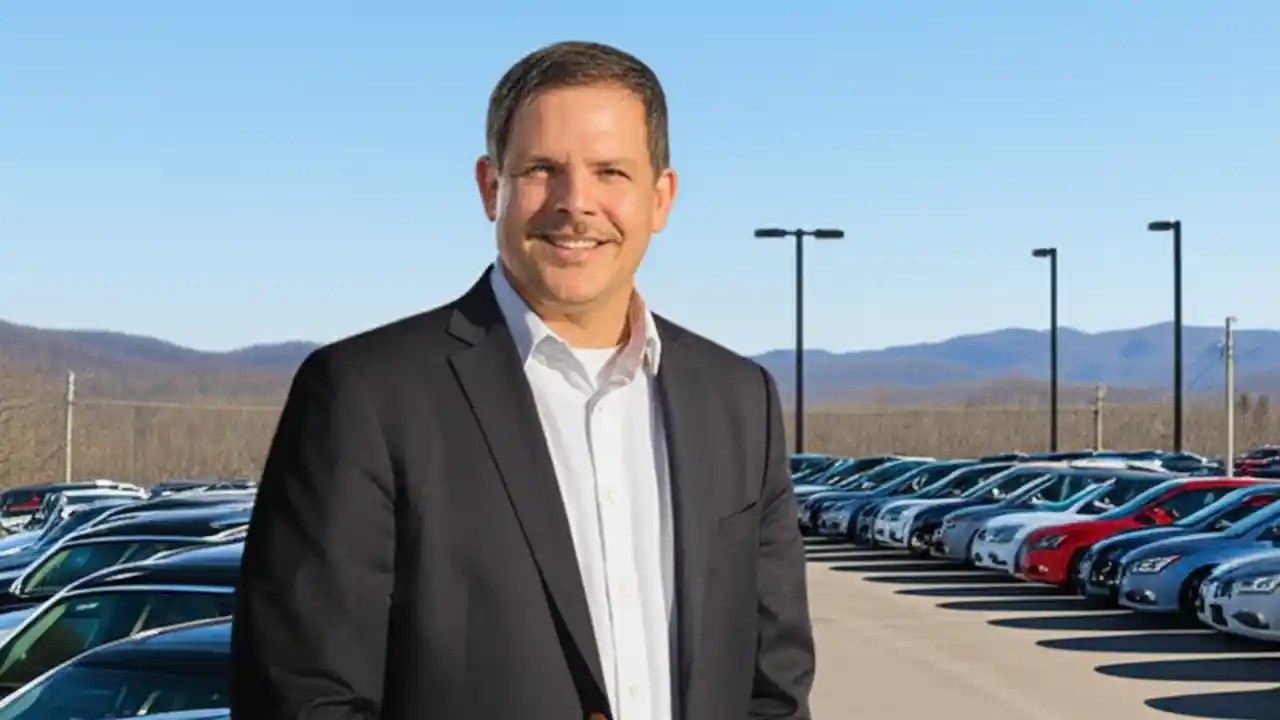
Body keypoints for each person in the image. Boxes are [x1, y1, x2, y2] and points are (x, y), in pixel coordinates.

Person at [229, 40, 815, 720]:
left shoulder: (739, 401)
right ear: (489, 187)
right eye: (542, 169)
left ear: (661, 198)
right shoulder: (364, 395)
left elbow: (772, 687)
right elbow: (304, 697)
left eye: (611, 172)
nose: (576, 203)